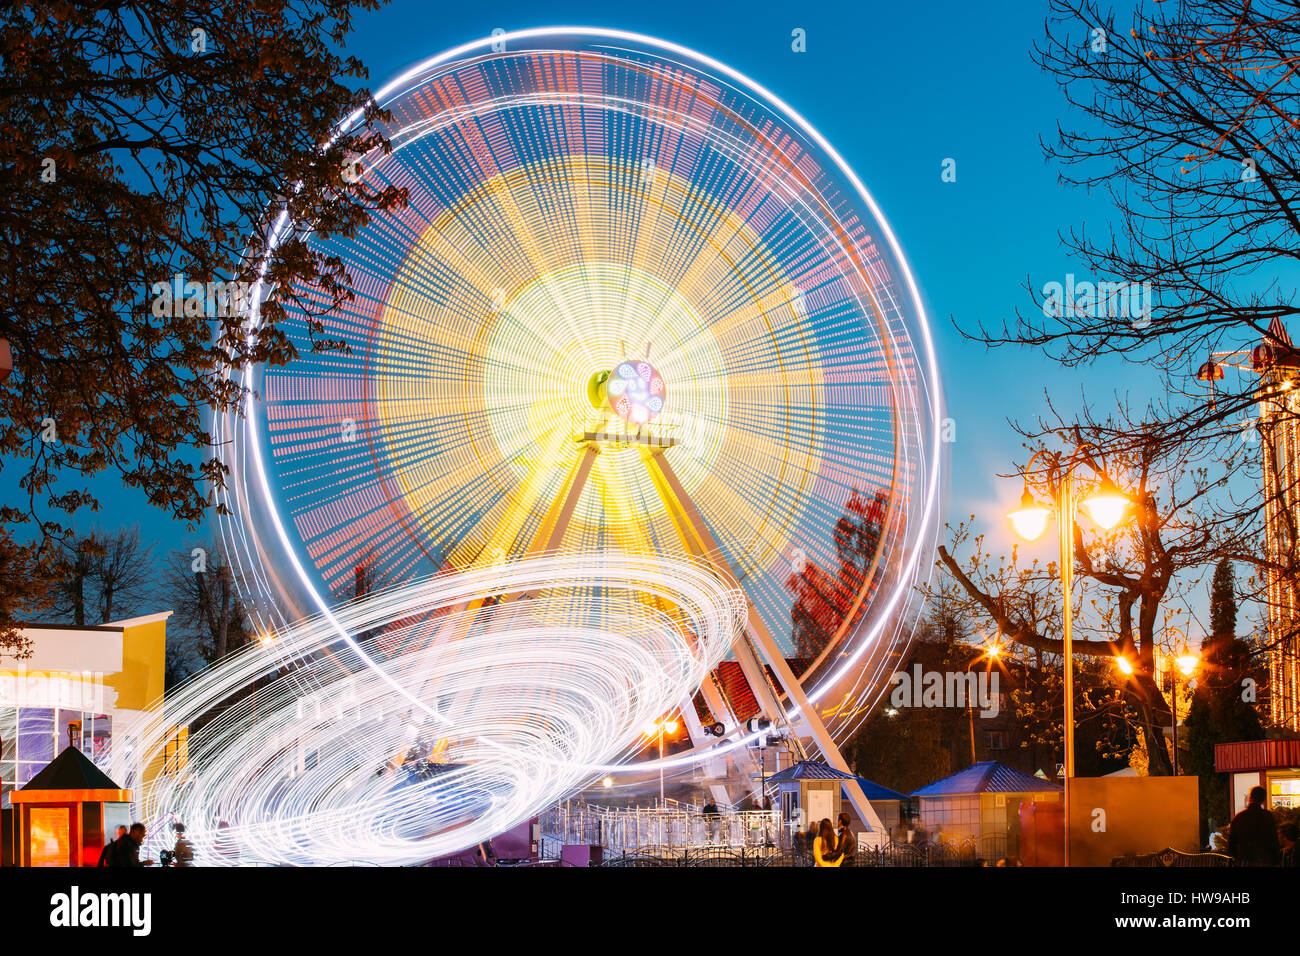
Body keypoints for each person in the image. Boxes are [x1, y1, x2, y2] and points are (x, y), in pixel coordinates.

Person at [1228, 786, 1280, 866]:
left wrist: (1237, 857)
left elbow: (1232, 842)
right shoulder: (1268, 817)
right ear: (1263, 800)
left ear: (1250, 798)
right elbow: (1274, 840)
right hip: (1265, 859)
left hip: (1245, 859)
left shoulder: (1239, 817)